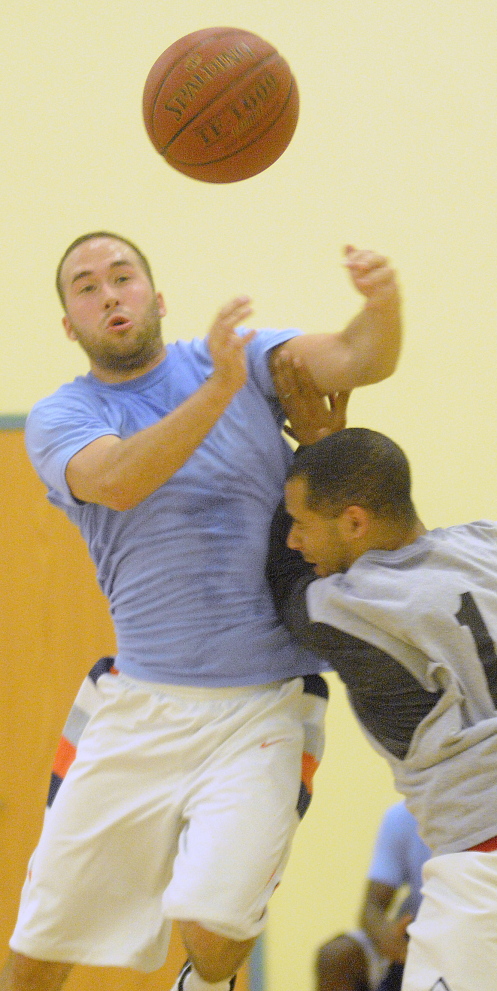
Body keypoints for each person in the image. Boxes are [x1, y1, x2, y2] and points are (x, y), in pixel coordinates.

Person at [1, 233, 401, 991]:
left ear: (158, 297)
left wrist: (381, 301)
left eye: (124, 277)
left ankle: (201, 982)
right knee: (40, 945)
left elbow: (358, 357)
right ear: (69, 323)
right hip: (141, 704)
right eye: (87, 287)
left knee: (219, 933)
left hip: (263, 705)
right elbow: (118, 479)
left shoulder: (242, 358)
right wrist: (214, 393)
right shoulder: (66, 414)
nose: (109, 294)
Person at [266, 425, 497, 991]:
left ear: (355, 521)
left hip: (496, 875)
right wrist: (326, 445)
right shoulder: (490, 547)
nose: (293, 540)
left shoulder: (351, 609)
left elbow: (283, 587)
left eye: (302, 523)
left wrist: (302, 440)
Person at [316, 802, 429, 991]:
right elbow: (371, 908)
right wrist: (394, 944)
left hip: (475, 937)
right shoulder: (404, 815)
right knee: (336, 956)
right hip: (416, 944)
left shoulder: (488, 813)